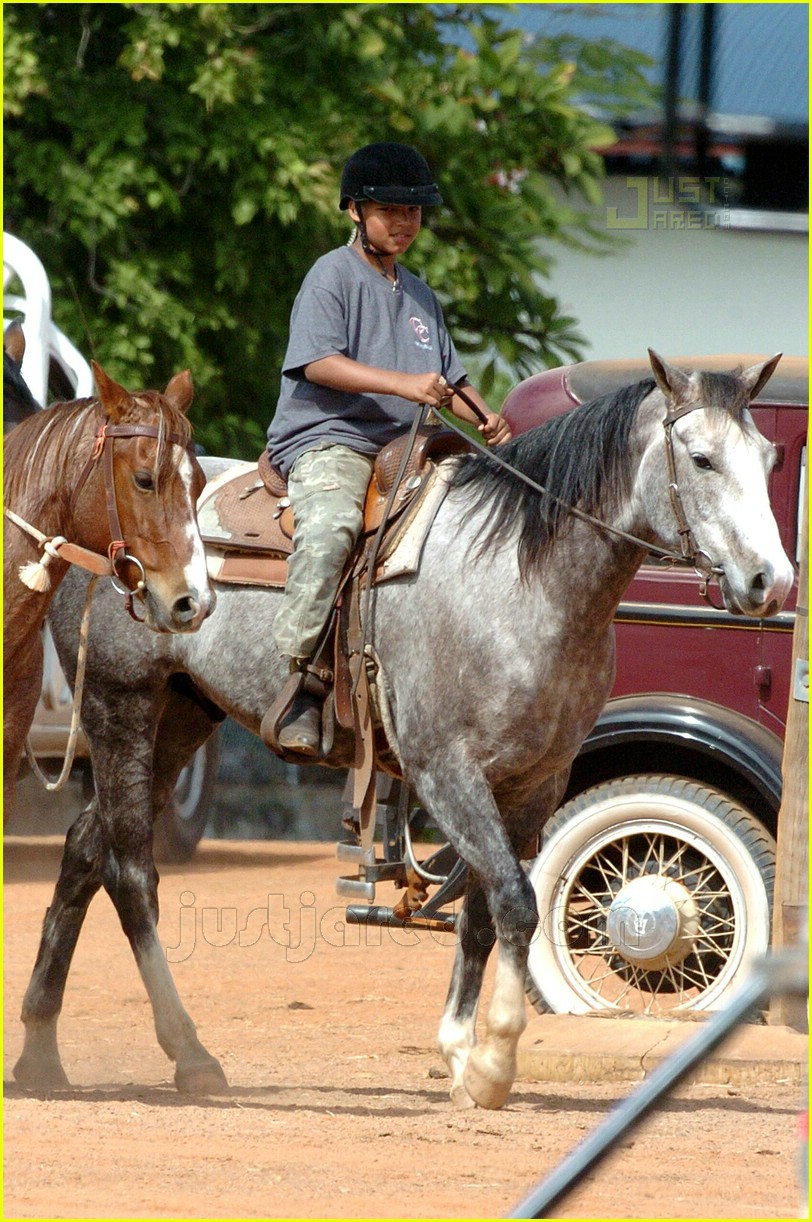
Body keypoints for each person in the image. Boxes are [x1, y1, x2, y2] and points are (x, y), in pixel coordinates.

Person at [264, 141, 511, 756]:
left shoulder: (422, 296)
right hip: (333, 439)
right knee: (333, 526)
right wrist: (403, 384)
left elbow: (448, 382)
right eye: (389, 209)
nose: (403, 223)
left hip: (408, 446)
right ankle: (300, 680)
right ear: (354, 209)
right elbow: (318, 362)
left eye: (414, 212)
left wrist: (487, 419)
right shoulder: (331, 275)